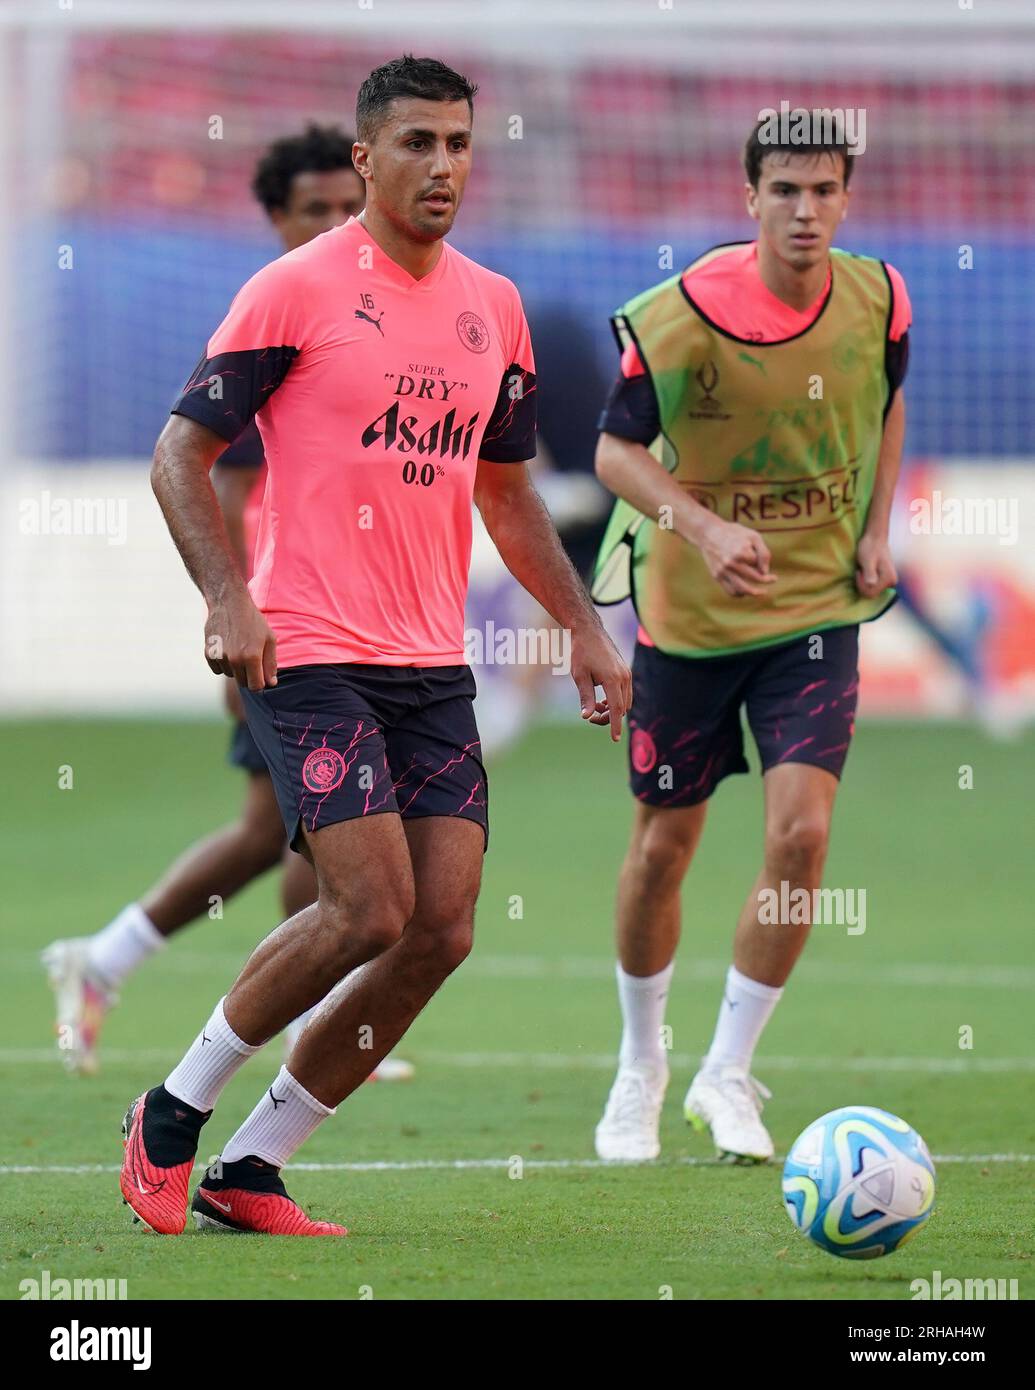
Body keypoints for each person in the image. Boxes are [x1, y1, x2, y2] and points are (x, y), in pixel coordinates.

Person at [120, 54, 630, 1236]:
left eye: (458, 143)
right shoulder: (292, 289)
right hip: (307, 644)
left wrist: (586, 627)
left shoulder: (493, 307)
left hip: (427, 657)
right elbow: (177, 455)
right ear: (364, 159)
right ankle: (172, 1107)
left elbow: (507, 495)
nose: (442, 164)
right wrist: (226, 596)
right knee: (368, 907)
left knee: (443, 924)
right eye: (416, 143)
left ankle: (253, 1169)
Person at [40, 127, 416, 1079]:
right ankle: (304, 1015)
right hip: (291, 627)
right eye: (316, 210)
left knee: (276, 830)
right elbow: (220, 486)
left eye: (348, 206)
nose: (339, 224)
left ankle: (108, 959)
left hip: (351, 622)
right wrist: (235, 613)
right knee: (317, 836)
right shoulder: (274, 322)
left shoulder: (365, 317)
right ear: (275, 218)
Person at [591, 113, 910, 1163]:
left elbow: (890, 401)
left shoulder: (881, 297)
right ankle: (642, 1063)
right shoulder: (680, 319)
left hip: (813, 611)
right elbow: (613, 455)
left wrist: (875, 526)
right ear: (751, 196)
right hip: (689, 616)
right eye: (785, 191)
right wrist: (707, 524)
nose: (806, 210)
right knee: (661, 848)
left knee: (802, 836)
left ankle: (728, 1070)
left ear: (846, 197)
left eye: (824, 190)